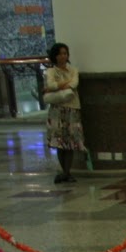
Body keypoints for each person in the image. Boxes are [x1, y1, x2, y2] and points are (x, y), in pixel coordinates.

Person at [42, 43, 83, 184]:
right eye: (60, 53)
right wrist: (61, 85)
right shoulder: (51, 71)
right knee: (60, 142)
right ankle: (65, 173)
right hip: (57, 109)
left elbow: (74, 84)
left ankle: (66, 173)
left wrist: (56, 86)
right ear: (55, 56)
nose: (63, 56)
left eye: (65, 53)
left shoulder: (73, 70)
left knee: (70, 141)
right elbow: (51, 84)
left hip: (72, 108)